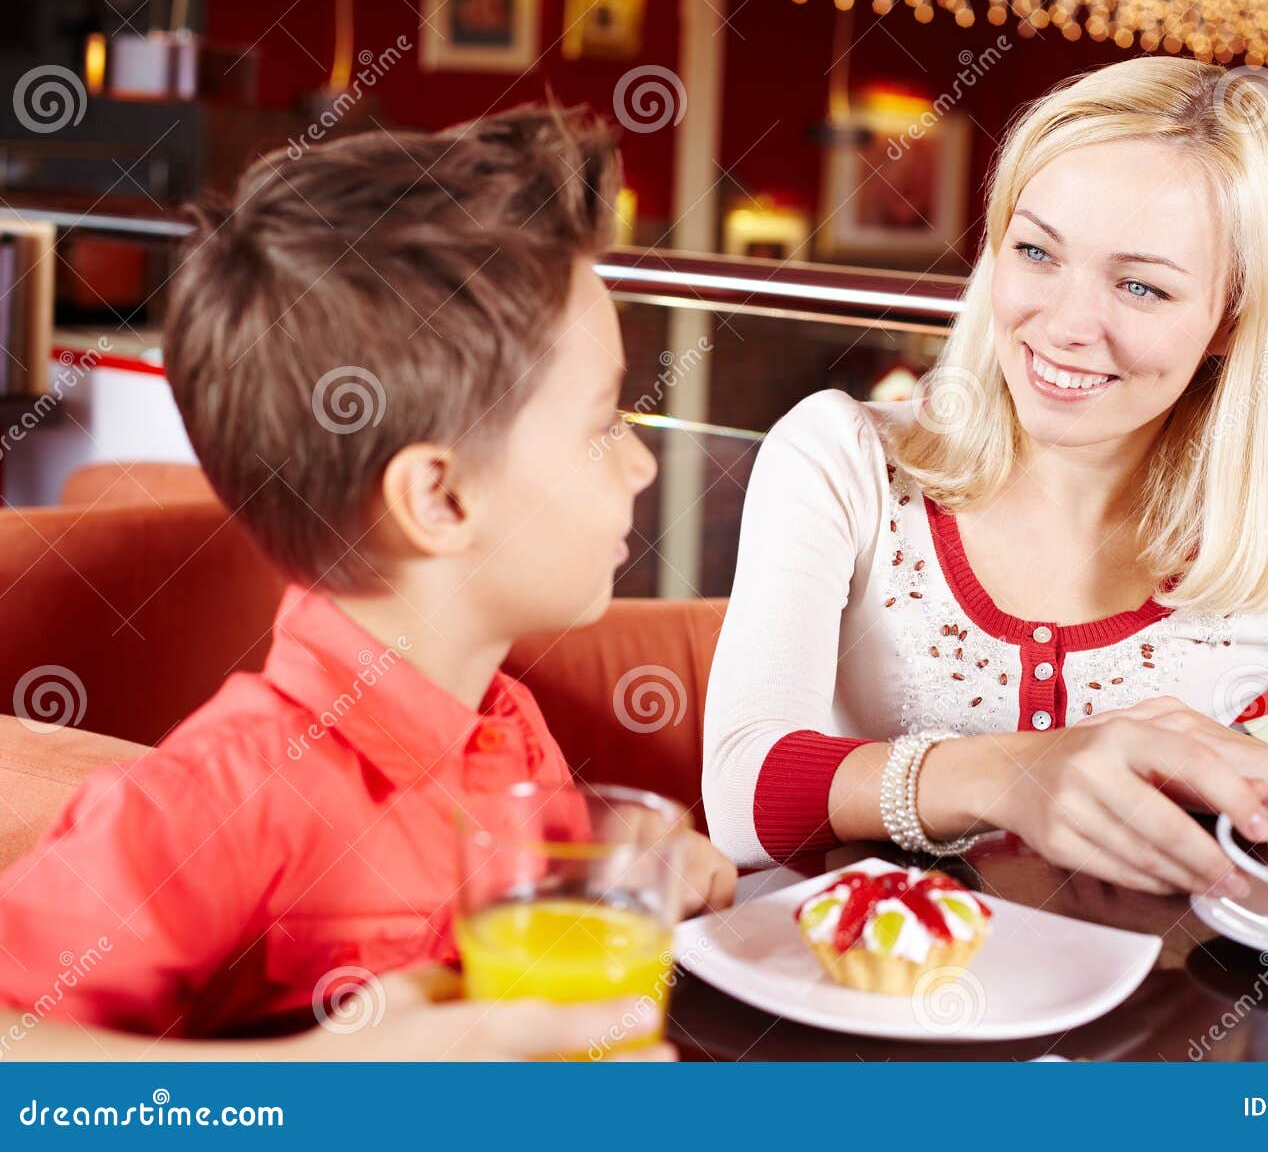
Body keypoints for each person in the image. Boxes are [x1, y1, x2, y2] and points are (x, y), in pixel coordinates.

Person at [703, 57, 1268, 895]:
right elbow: (745, 790)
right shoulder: (842, 457)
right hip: (853, 1023)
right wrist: (1017, 776)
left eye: (1142, 288)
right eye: (1037, 252)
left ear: (1225, 321)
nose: (1065, 325)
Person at [0, 104, 734, 1059]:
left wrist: (617, 883)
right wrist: (314, 1075)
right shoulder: (224, 795)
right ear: (438, 496)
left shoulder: (508, 736)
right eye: (604, 423)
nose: (639, 465)